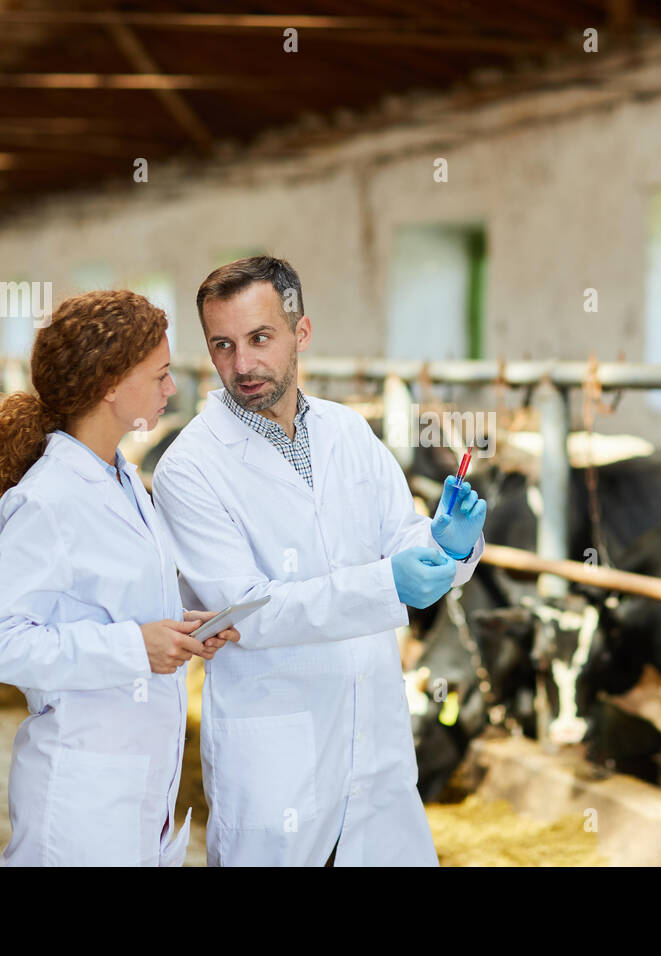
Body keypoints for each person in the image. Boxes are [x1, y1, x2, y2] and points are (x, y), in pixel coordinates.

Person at [153, 256, 488, 866]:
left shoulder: (348, 433)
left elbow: (404, 542)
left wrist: (449, 546)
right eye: (222, 345)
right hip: (279, 763)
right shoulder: (189, 467)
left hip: (377, 751)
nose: (242, 364)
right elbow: (247, 612)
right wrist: (387, 583)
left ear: (300, 333)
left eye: (260, 338)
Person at [0, 289, 237, 866]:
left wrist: (186, 628)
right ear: (111, 383)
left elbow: (124, 602)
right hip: (80, 796)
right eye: (160, 374)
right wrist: (134, 646)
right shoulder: (47, 500)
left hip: (141, 785)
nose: (171, 389)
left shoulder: (125, 480)